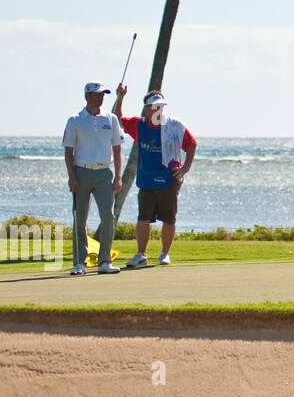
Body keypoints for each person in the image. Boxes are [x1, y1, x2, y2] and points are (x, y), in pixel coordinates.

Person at [112, 85, 197, 267]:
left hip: (169, 176)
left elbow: (191, 144)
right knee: (143, 217)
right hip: (147, 178)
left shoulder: (174, 125)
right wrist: (120, 97)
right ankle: (141, 254)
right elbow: (118, 118)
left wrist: (185, 168)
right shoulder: (139, 124)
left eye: (161, 106)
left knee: (169, 218)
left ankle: (165, 253)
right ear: (147, 108)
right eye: (154, 106)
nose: (158, 109)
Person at [62, 81, 124, 275]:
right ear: (87, 95)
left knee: (108, 215)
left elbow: (117, 149)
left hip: (104, 173)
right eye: (97, 94)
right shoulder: (75, 120)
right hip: (81, 172)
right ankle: (79, 263)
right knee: (80, 218)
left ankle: (104, 261)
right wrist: (72, 176)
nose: (101, 97)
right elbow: (68, 152)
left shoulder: (111, 119)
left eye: (103, 94)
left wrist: (118, 176)